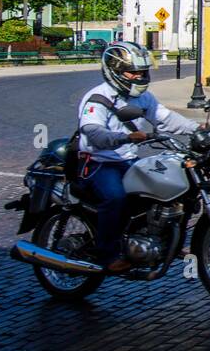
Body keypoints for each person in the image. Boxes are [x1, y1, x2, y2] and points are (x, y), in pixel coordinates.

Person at [76, 41, 199, 272]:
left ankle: (164, 242)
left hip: (127, 161)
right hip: (98, 163)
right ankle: (107, 255)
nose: (140, 76)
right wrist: (124, 138)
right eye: (134, 72)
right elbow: (93, 133)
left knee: (170, 188)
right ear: (115, 72)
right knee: (115, 197)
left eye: (143, 72)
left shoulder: (144, 98)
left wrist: (197, 128)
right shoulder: (98, 98)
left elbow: (165, 117)